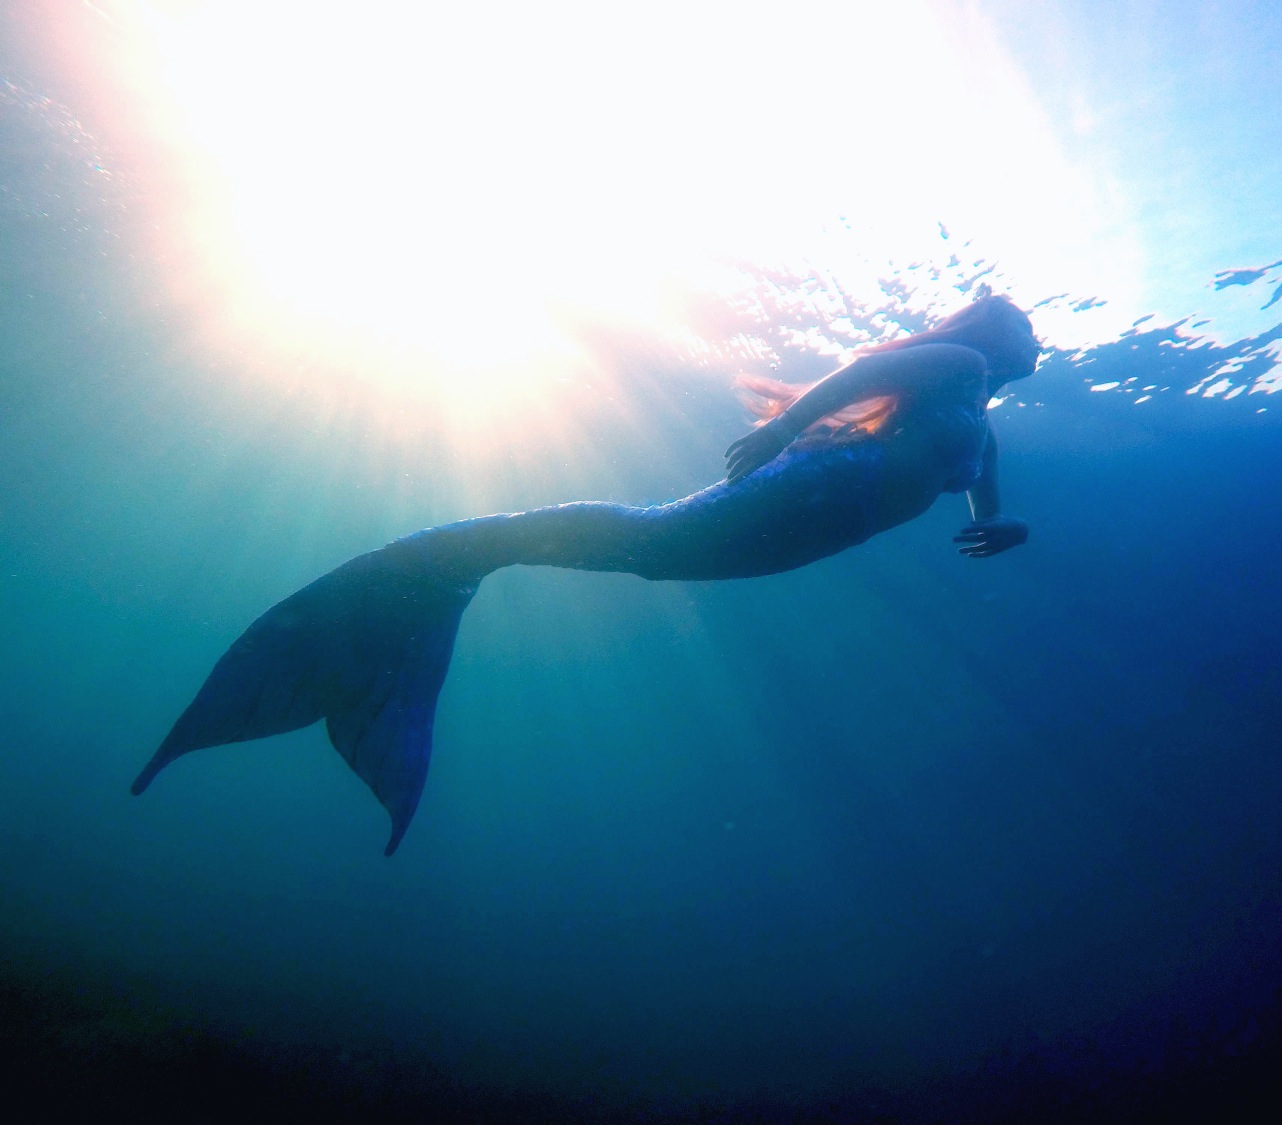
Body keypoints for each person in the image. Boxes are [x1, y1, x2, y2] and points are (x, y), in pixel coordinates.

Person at [131, 294, 1042, 853]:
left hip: (814, 528)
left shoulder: (981, 418)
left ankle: (448, 571)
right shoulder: (959, 362)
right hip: (810, 490)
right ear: (998, 336)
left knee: (652, 558)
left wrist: (1000, 531)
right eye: (1032, 331)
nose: (1039, 346)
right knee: (651, 543)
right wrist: (776, 428)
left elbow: (984, 498)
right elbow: (866, 372)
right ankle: (451, 555)